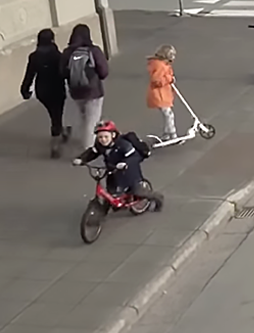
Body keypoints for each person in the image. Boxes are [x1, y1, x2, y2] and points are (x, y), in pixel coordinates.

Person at [72, 120, 163, 211]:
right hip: (112, 168)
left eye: (106, 137)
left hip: (129, 170)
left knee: (136, 191)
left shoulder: (123, 144)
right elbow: (92, 152)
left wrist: (125, 163)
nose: (103, 140)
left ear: (113, 135)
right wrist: (81, 159)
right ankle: (110, 206)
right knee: (111, 190)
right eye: (100, 137)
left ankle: (157, 197)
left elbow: (133, 156)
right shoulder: (100, 145)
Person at [20, 28, 69, 158]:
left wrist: (25, 90)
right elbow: (64, 73)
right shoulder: (58, 55)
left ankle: (62, 131)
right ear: (52, 40)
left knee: (54, 113)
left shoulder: (34, 56)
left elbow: (29, 75)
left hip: (42, 91)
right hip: (57, 89)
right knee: (56, 114)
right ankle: (55, 145)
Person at [61, 24, 109, 150]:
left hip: (76, 91)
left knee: (83, 117)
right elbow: (104, 72)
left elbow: (62, 72)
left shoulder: (68, 52)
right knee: (91, 121)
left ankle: (87, 139)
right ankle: (89, 148)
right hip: (93, 91)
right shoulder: (93, 51)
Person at [147, 45, 177, 141]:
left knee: (167, 114)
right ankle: (172, 133)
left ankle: (167, 133)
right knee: (169, 114)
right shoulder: (160, 66)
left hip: (162, 94)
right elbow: (156, 80)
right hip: (160, 95)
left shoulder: (162, 65)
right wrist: (169, 79)